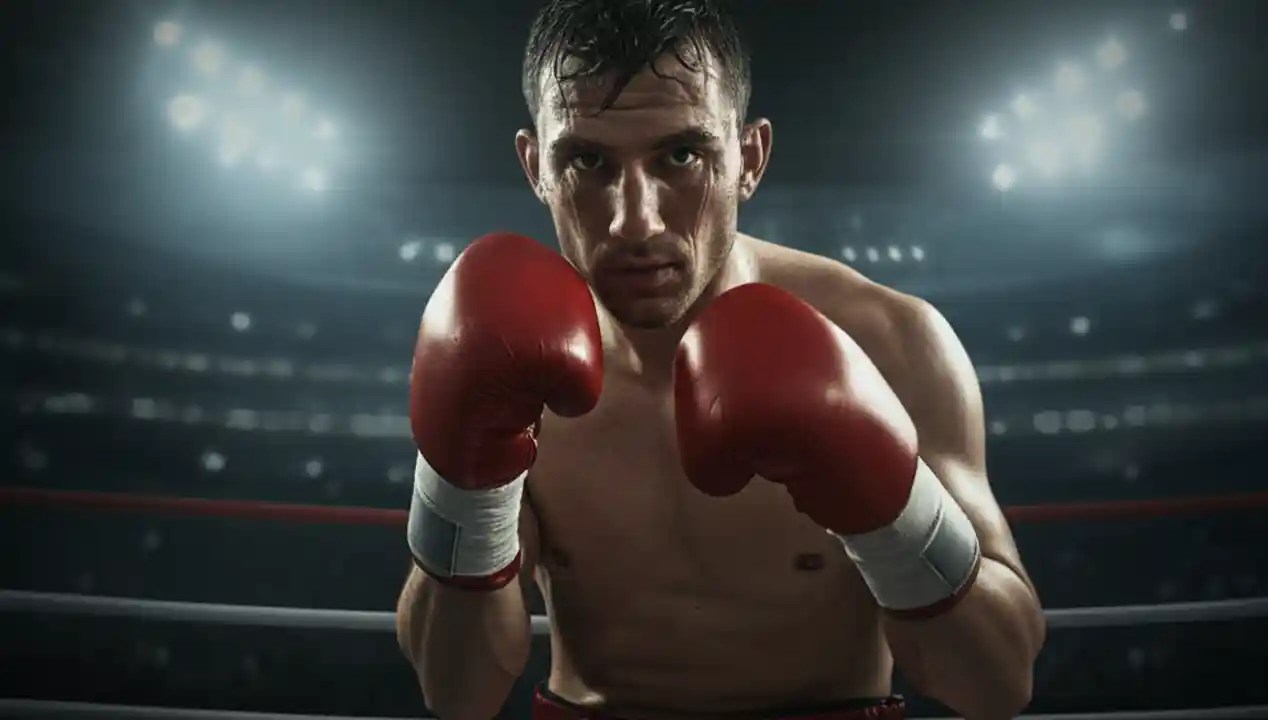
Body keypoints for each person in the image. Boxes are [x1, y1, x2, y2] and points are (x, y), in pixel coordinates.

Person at [395, 2, 1045, 718]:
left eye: (681, 155)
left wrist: (896, 511)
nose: (634, 222)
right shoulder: (503, 361)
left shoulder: (890, 340)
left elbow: (995, 687)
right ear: (535, 168)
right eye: (587, 160)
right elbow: (458, 695)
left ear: (749, 159)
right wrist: (464, 488)